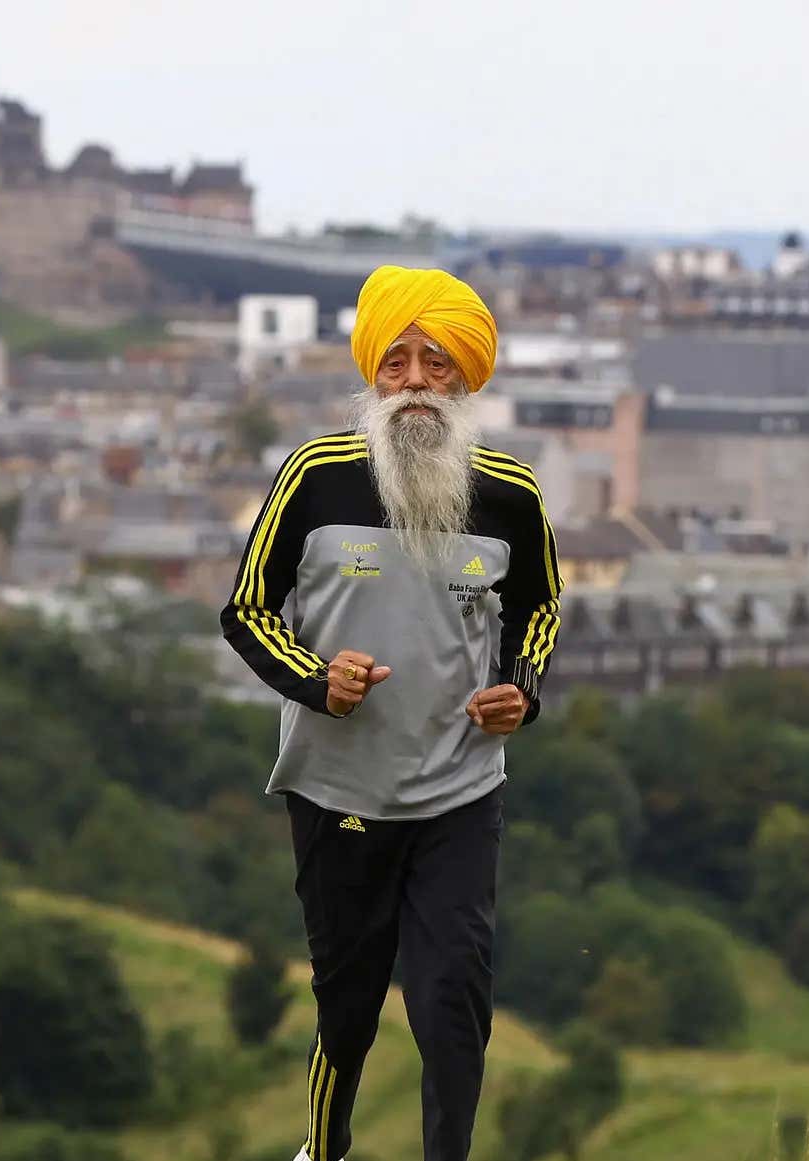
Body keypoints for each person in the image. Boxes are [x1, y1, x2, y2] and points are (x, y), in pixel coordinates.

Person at [220, 265, 562, 1161]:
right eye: (398, 361)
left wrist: (519, 690)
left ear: (467, 376)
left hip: (458, 790)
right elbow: (248, 609)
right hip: (339, 792)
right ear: (373, 372)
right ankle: (323, 1150)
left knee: (453, 1003)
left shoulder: (511, 496)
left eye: (437, 363)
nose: (415, 381)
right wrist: (316, 676)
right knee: (348, 1005)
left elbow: (540, 610)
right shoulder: (316, 477)